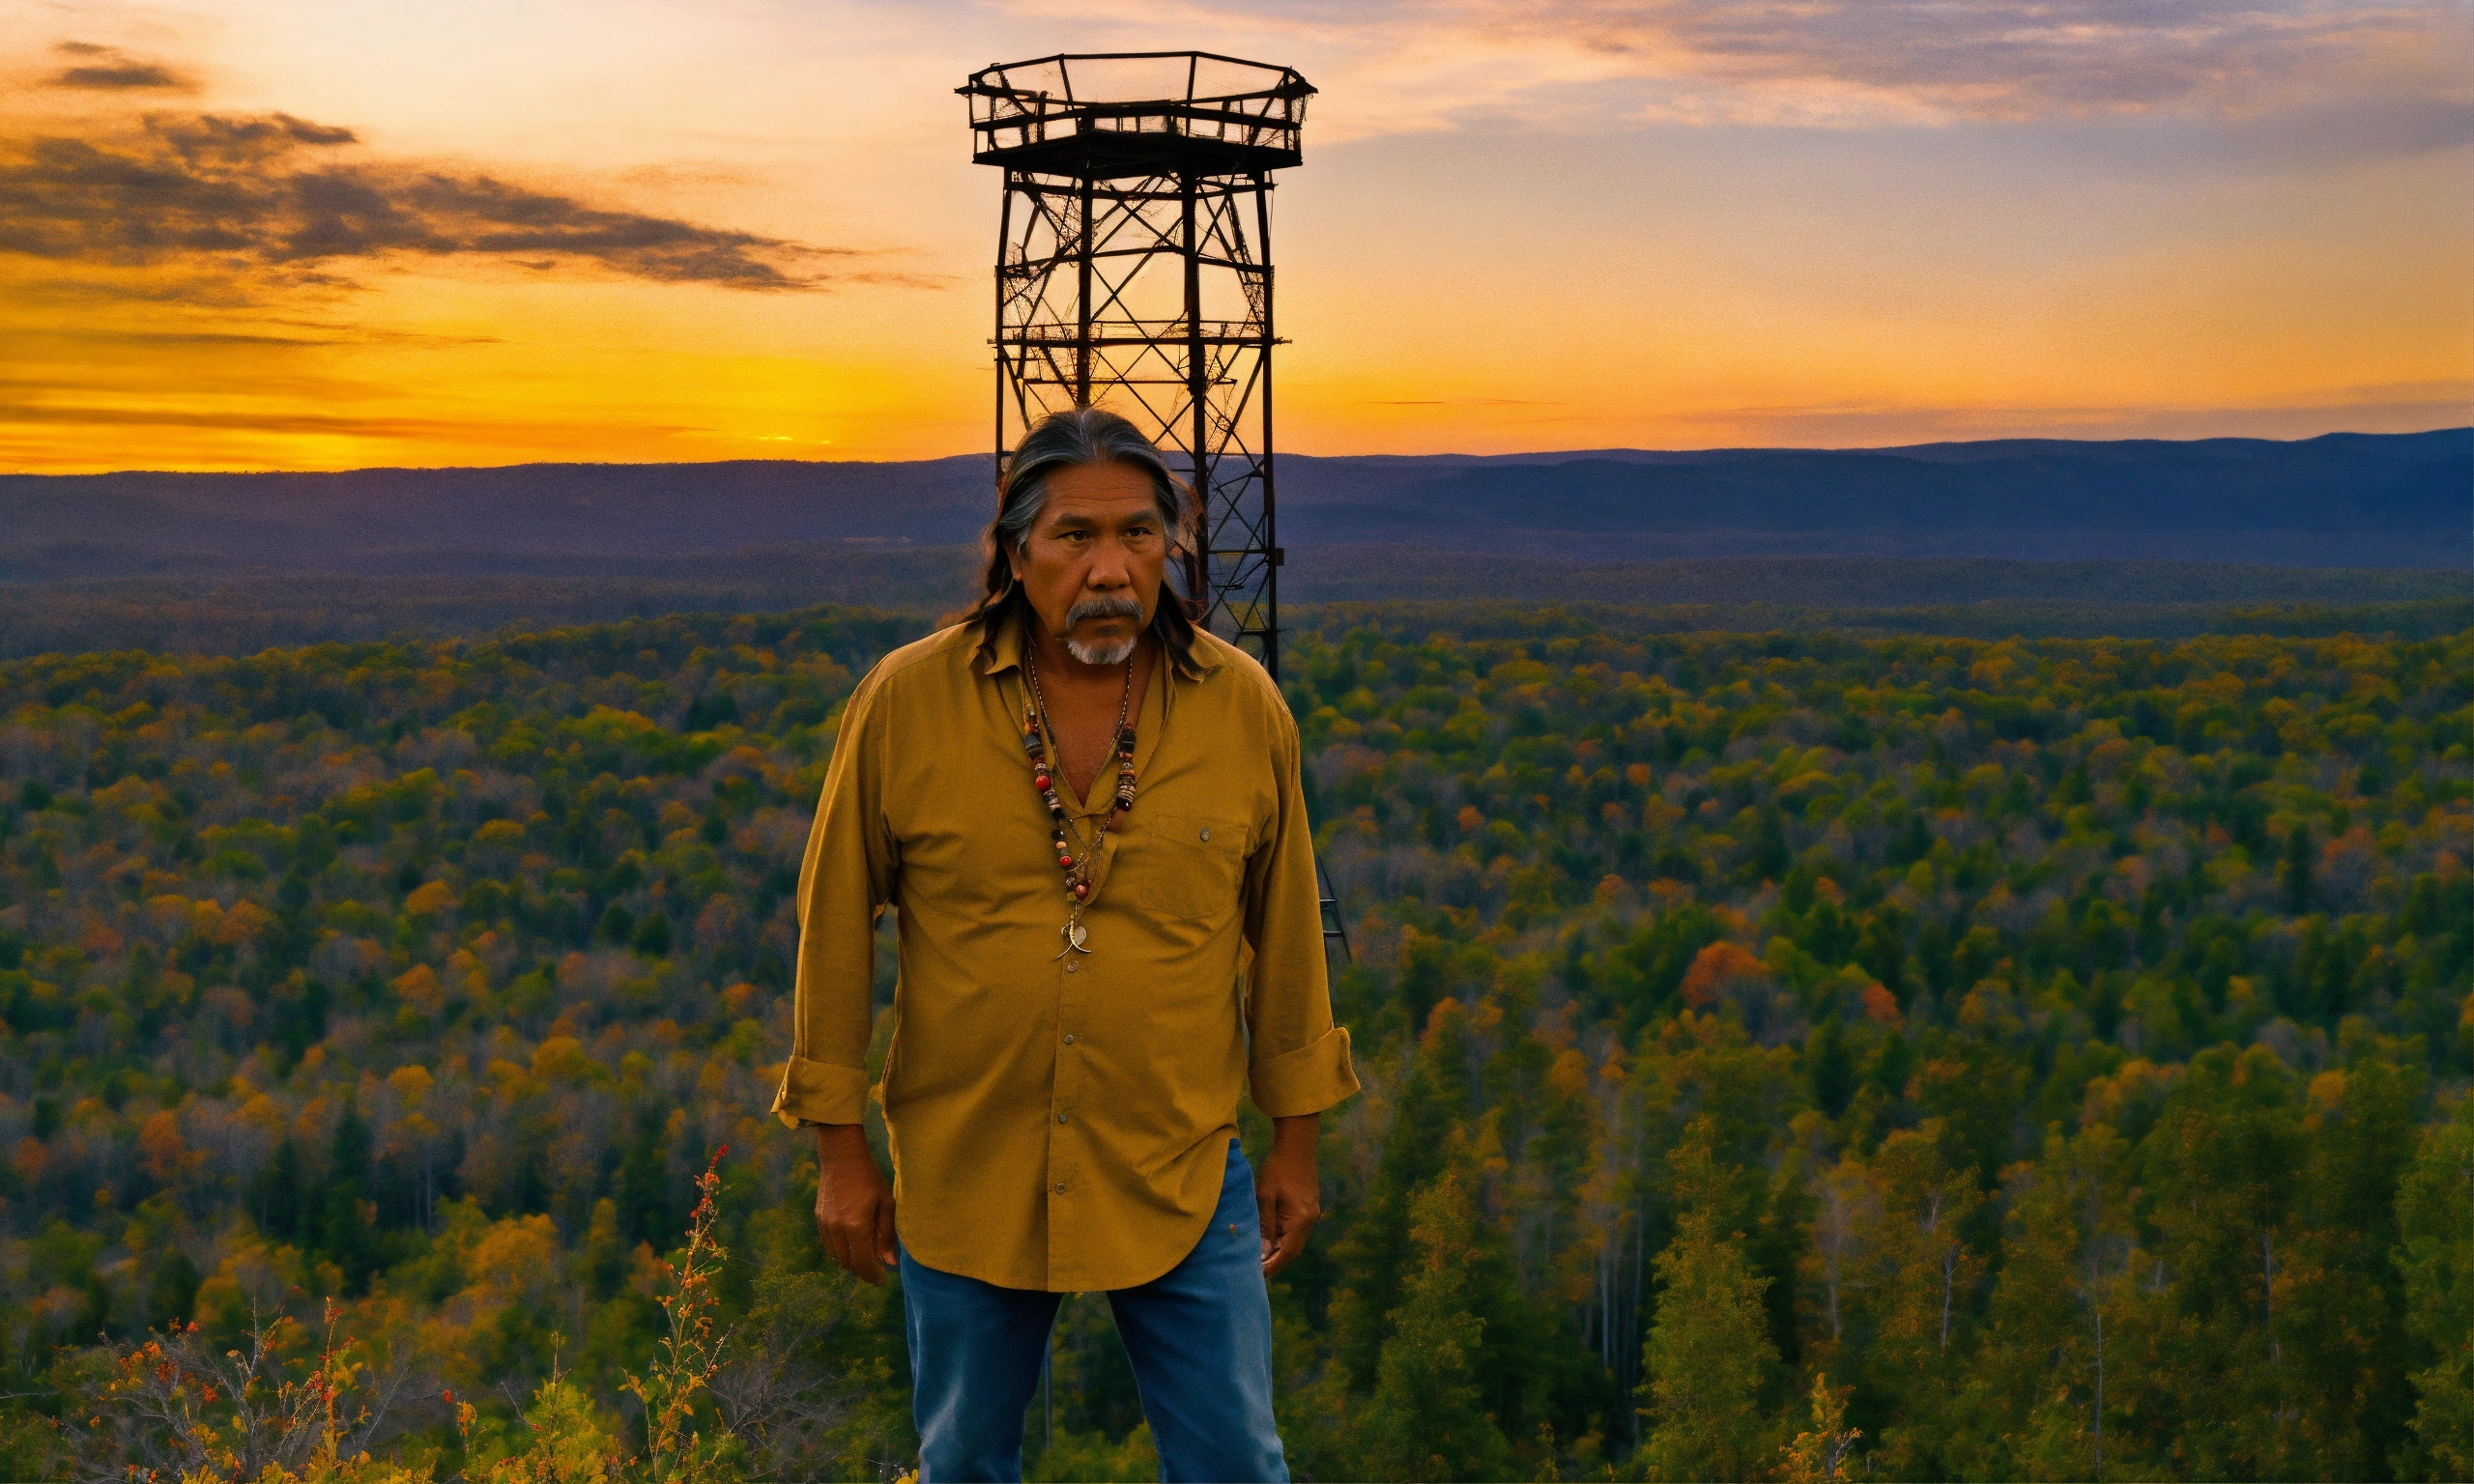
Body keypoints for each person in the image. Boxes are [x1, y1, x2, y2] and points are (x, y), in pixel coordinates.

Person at [770, 406, 1359, 1482]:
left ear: (1171, 547)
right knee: (963, 1465)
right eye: (1074, 538)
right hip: (967, 1166)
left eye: (1138, 535)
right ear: (1014, 551)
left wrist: (1297, 1140)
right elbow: (834, 929)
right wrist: (840, 1153)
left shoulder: (1240, 708)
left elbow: (1286, 939)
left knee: (1236, 1461)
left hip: (1179, 1162)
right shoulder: (907, 702)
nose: (1109, 569)